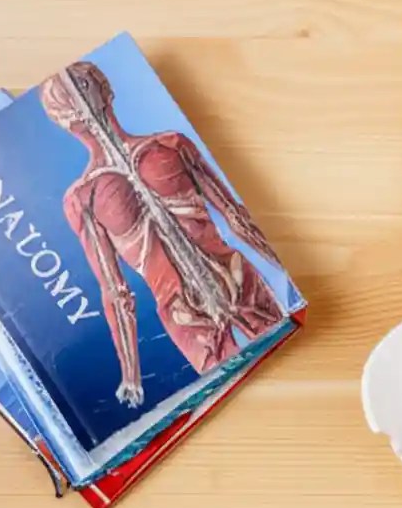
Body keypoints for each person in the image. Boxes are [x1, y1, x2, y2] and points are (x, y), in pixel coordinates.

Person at [40, 61, 284, 408]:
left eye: (81, 86)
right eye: (72, 94)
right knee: (241, 398)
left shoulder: (169, 144)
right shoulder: (84, 197)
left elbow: (235, 215)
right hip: (187, 309)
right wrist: (130, 376)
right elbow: (114, 288)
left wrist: (283, 267)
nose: (81, 99)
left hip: (235, 279)